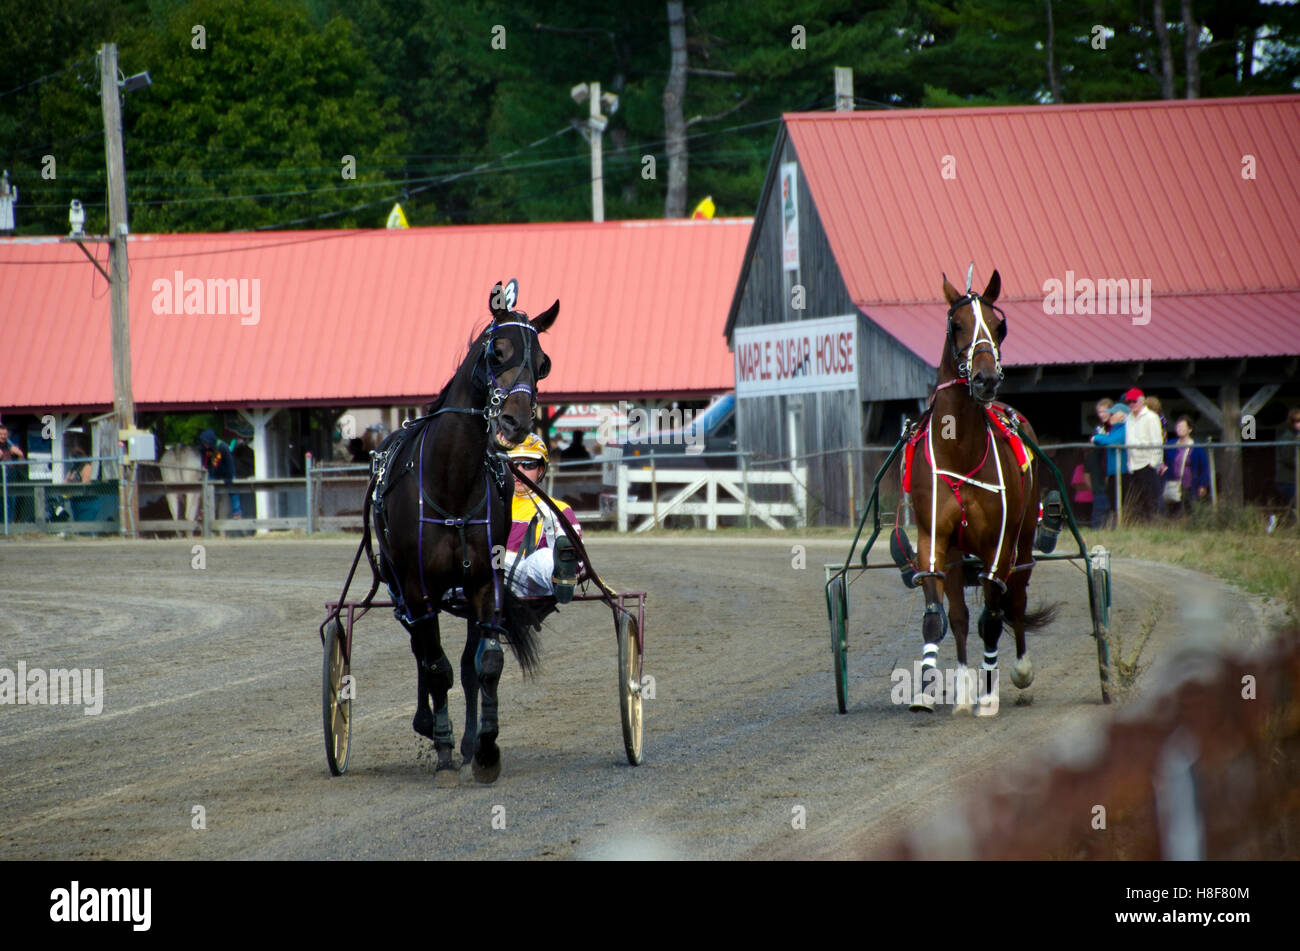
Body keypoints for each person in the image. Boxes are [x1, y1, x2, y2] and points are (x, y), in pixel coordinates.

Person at [504, 433, 582, 603]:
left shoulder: (559, 509)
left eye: (528, 464)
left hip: (531, 579)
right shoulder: (490, 504)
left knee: (546, 556)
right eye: (513, 464)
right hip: (491, 574)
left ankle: (562, 580)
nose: (519, 470)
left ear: (540, 470)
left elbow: (580, 562)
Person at [1121, 388, 1163, 521]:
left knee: (1152, 499)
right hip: (1133, 465)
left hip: (1147, 464)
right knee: (1138, 501)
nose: (1131, 405)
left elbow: (1157, 441)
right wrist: (1129, 463)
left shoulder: (1151, 417)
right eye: (1129, 402)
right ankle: (1141, 525)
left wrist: (1153, 463)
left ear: (1141, 401)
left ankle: (1156, 525)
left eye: (1134, 401)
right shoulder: (1128, 419)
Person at [1162, 415, 1209, 517]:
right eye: (1178, 426)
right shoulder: (1170, 445)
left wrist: (1202, 485)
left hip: (1191, 485)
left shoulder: (1197, 447)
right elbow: (1163, 460)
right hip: (1173, 484)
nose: (1179, 429)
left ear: (1189, 430)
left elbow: (1204, 468)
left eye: (1182, 427)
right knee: (1173, 512)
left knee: (1191, 511)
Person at [1092, 403, 1129, 525]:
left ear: (1122, 416)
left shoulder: (1124, 428)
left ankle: (1123, 524)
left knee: (1121, 502)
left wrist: (1097, 438)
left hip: (1122, 471)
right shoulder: (1115, 429)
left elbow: (1112, 441)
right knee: (1113, 502)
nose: (1110, 416)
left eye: (1113, 414)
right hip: (1113, 472)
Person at [199, 429, 242, 520]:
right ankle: (204, 512)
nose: (205, 445)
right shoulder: (205, 449)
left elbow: (229, 463)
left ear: (210, 440)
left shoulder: (223, 447)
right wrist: (204, 468)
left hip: (226, 472)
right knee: (207, 490)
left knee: (233, 491)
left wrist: (229, 477)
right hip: (214, 473)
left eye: (206, 442)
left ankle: (237, 512)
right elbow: (204, 462)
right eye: (204, 443)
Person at [1086, 399, 1114, 529]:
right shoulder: (1098, 428)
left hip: (1113, 470)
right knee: (1099, 508)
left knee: (1113, 508)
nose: (1101, 414)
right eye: (1099, 412)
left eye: (1104, 411)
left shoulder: (1117, 426)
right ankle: (1096, 532)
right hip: (1099, 474)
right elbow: (1094, 442)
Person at [1275, 408, 1300, 505]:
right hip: (1288, 481)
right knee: (1296, 507)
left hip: (1293, 480)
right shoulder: (1288, 437)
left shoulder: (1295, 436)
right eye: (1297, 421)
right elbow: (1287, 458)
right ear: (1291, 422)